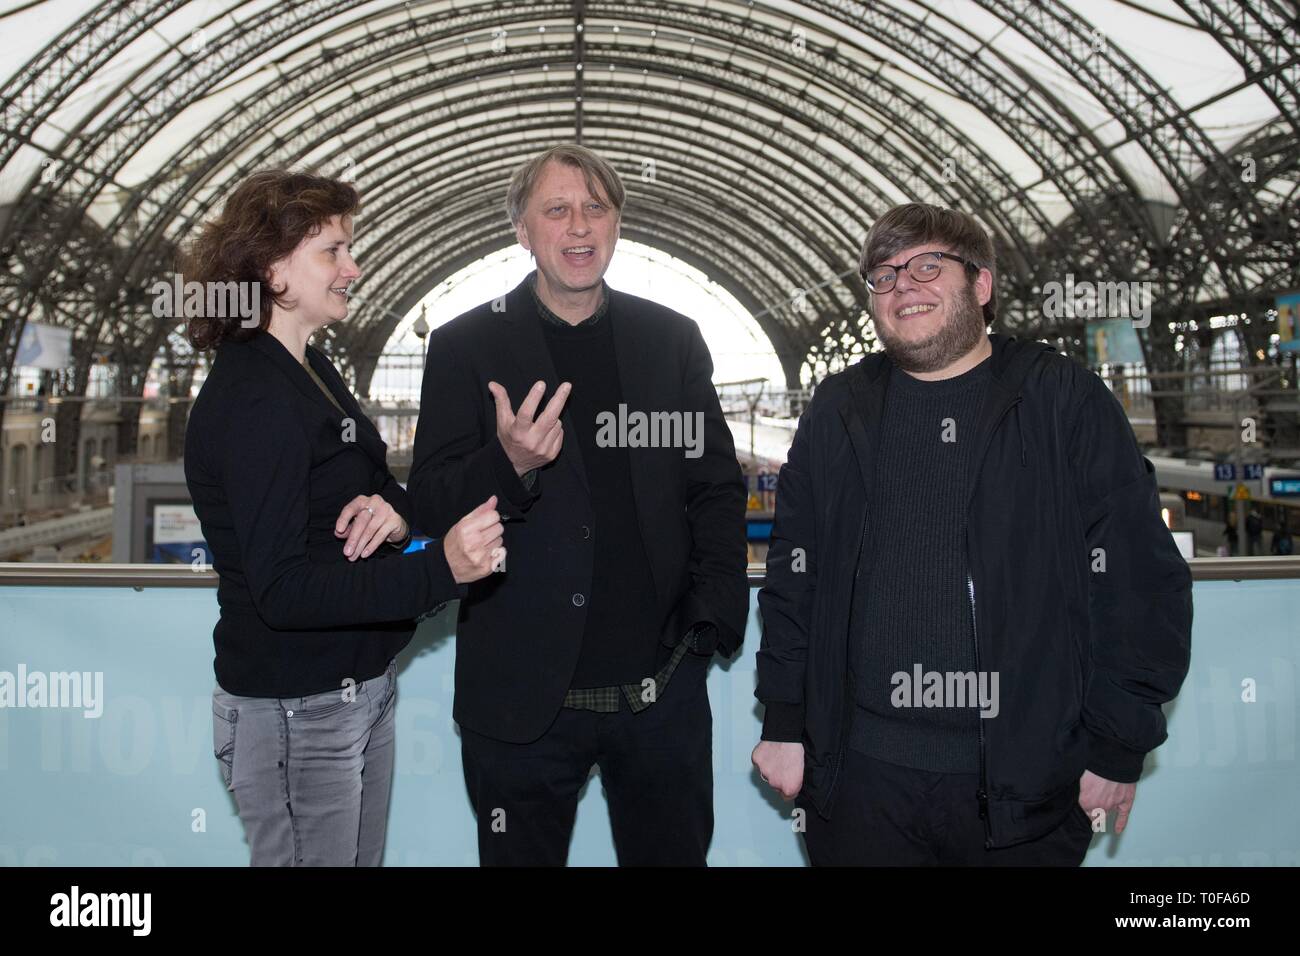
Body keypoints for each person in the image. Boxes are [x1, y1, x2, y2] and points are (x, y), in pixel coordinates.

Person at [752, 203, 1193, 865]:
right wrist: (784, 721)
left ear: (981, 285)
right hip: (861, 786)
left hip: (1026, 789)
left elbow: (1138, 581)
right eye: (885, 275)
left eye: (928, 266)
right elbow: (794, 576)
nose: (904, 286)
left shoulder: (1060, 402)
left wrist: (1117, 744)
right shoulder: (840, 409)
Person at [407, 145, 748, 866]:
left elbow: (716, 486)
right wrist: (511, 465)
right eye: (556, 209)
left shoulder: (672, 340)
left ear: (618, 224)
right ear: (522, 232)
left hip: (661, 692)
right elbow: (431, 504)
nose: (580, 226)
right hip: (521, 707)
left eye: (597, 207)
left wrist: (710, 617)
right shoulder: (465, 346)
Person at [183, 169, 502, 866]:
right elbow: (283, 592)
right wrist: (439, 569)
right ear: (272, 271)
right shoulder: (256, 401)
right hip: (297, 710)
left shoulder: (311, 369)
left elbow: (373, 489)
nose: (352, 269)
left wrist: (393, 511)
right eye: (332, 251)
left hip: (350, 691)